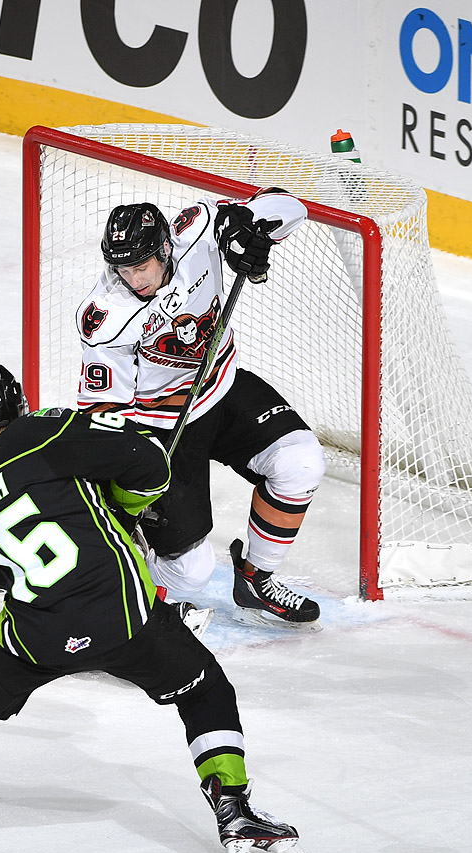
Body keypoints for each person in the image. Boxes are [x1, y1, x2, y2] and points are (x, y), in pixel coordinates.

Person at [0, 365, 305, 853]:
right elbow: (149, 464)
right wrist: (121, 504)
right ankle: (235, 818)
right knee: (204, 690)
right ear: (22, 406)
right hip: (118, 613)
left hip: (35, 633)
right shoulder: (46, 429)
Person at [75, 192, 326, 625]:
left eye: (141, 266)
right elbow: (105, 414)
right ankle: (140, 612)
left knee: (301, 463)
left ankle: (255, 579)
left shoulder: (197, 230)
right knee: (192, 571)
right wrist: (126, 476)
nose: (133, 279)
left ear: (164, 249)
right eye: (122, 268)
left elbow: (287, 206)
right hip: (159, 426)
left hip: (222, 389)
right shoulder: (106, 317)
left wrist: (248, 234)